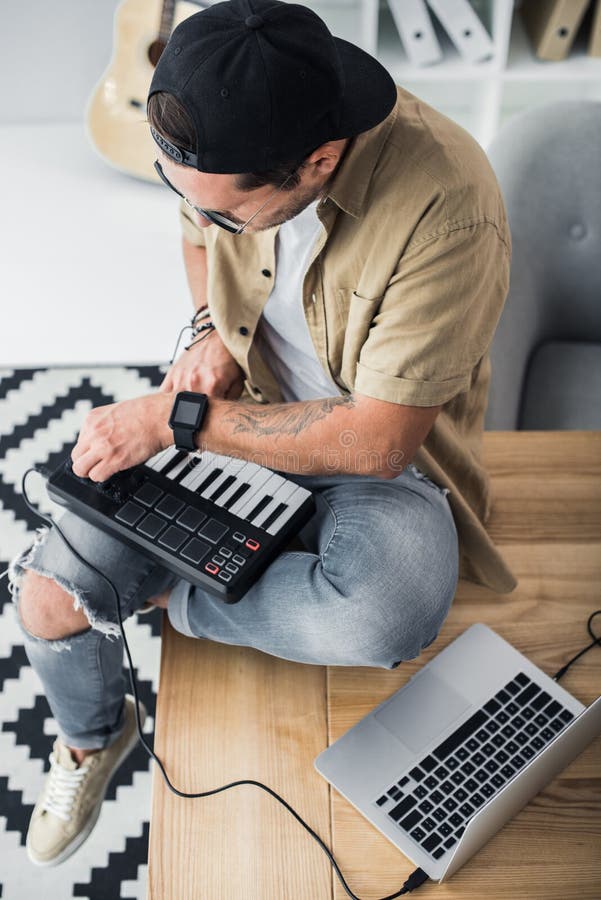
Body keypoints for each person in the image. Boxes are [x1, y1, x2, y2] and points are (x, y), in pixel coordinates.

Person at [8, 0, 517, 867]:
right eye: (186, 201)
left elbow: (375, 443)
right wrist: (208, 328)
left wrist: (181, 424)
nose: (201, 224)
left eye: (229, 216)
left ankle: (178, 601)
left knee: (385, 613)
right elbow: (197, 237)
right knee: (47, 600)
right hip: (229, 405)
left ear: (318, 161)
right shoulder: (218, 132)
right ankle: (94, 738)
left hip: (375, 461)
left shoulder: (448, 207)